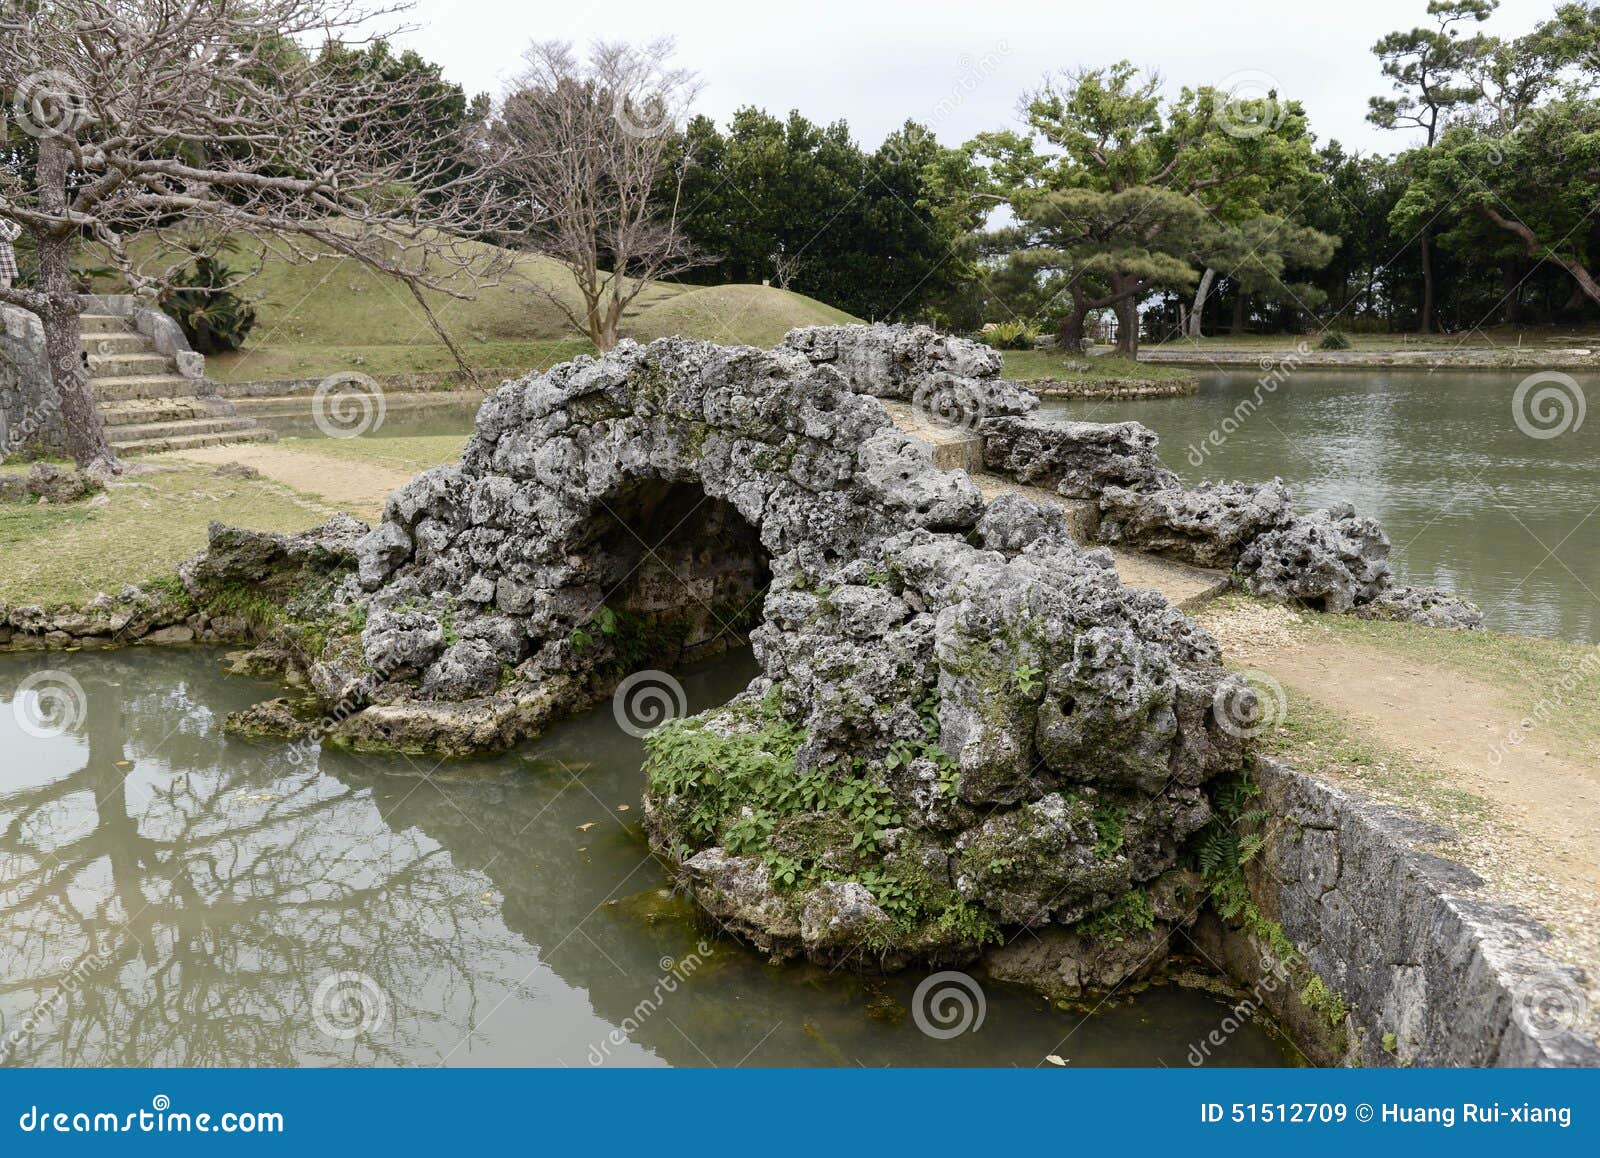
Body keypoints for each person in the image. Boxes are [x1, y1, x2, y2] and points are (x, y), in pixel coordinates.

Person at [0, 216, 20, 291]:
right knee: (6, 278)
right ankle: (2, 301)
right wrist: (17, 228)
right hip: (3, 251)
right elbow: (10, 237)